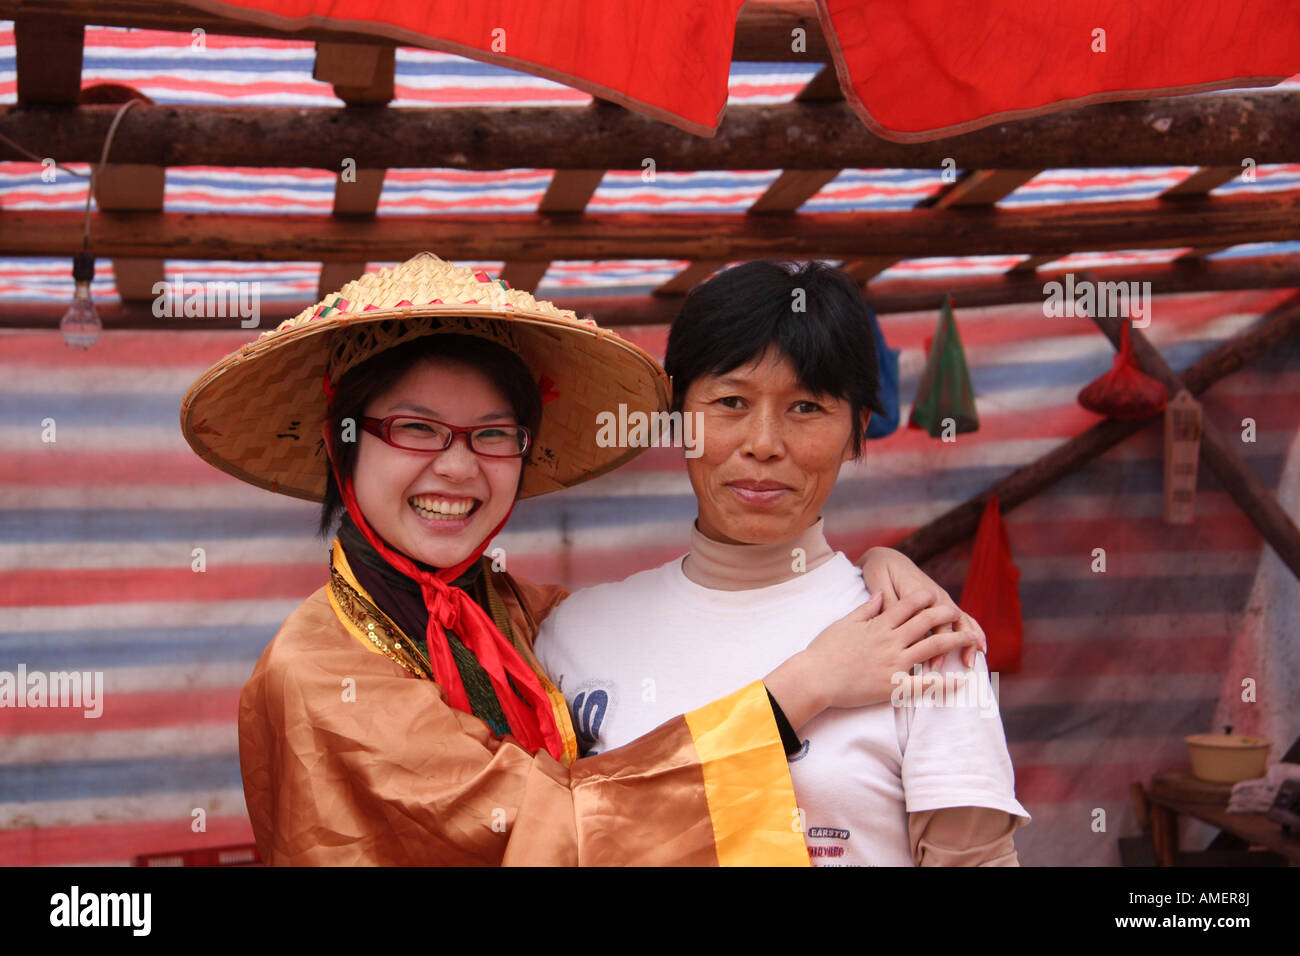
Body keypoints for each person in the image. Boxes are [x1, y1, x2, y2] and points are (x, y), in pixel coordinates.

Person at [180, 252, 983, 865]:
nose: (458, 468)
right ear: (342, 444)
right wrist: (804, 688)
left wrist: (879, 566)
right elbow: (557, 834)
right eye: (417, 429)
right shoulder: (316, 672)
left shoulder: (512, 616)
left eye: (493, 435)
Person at [536, 259, 1030, 866]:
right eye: (731, 401)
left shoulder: (917, 638)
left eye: (807, 408)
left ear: (857, 432)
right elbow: (548, 838)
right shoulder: (575, 633)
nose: (764, 443)